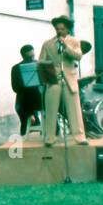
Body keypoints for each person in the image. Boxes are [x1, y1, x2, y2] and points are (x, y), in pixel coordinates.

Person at [39, 15, 87, 145]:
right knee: (51, 109)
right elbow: (42, 61)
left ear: (67, 30)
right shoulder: (47, 44)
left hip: (69, 79)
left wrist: (66, 46)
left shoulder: (74, 41)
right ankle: (50, 138)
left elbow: (78, 56)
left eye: (62, 28)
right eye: (57, 28)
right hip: (53, 79)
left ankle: (80, 137)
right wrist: (46, 77)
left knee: (74, 110)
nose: (59, 31)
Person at [10, 45, 42, 136]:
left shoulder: (40, 65)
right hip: (24, 100)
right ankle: (32, 118)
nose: (32, 59)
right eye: (29, 57)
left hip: (37, 99)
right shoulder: (16, 68)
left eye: (32, 57)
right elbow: (15, 88)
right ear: (23, 56)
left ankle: (33, 118)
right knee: (23, 112)